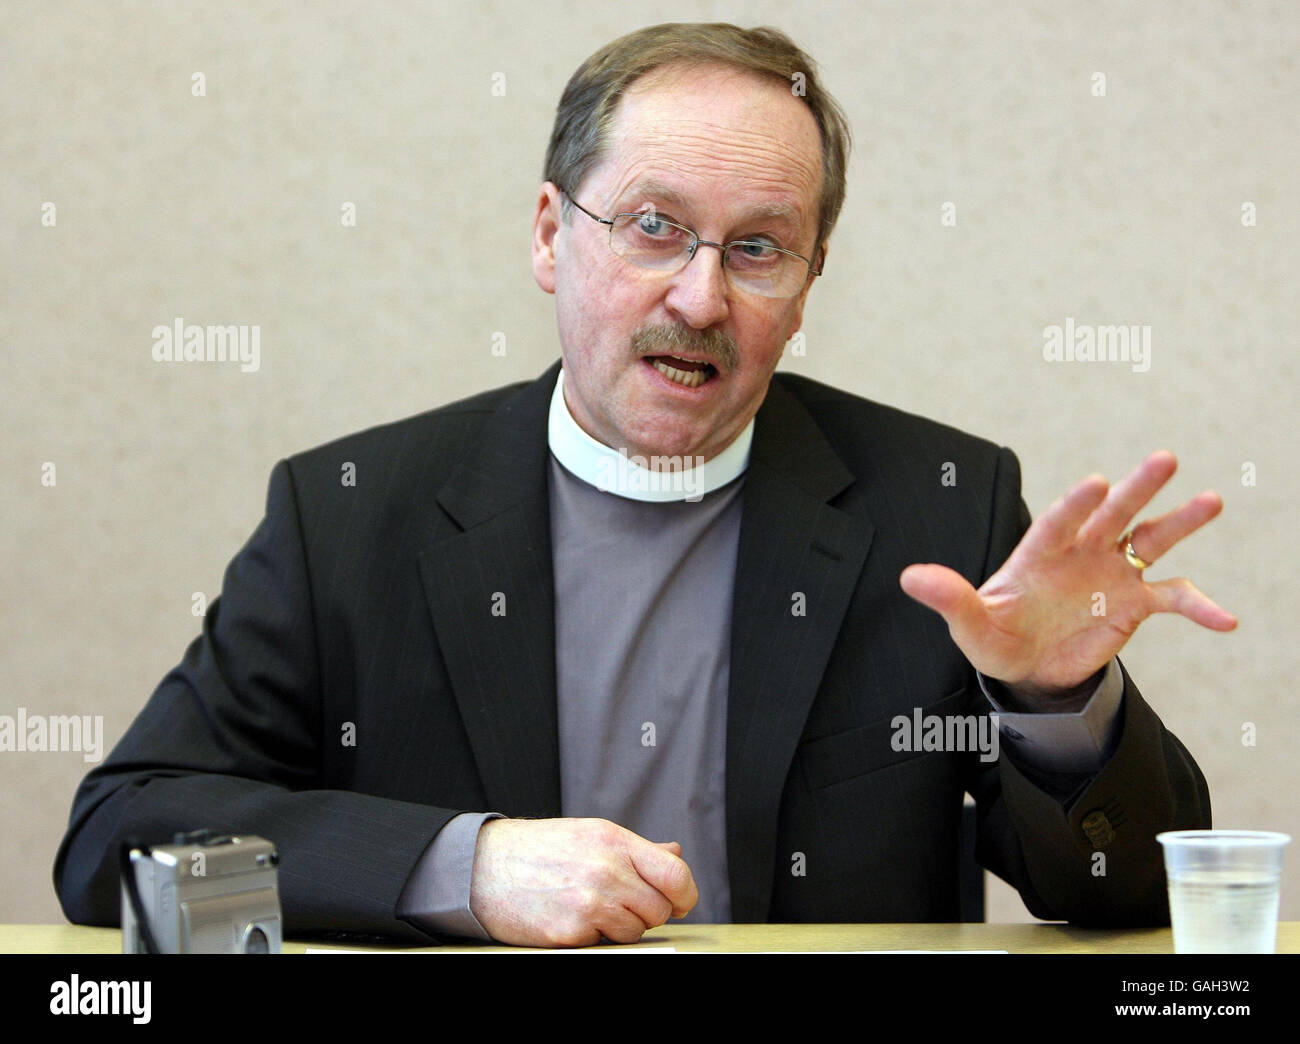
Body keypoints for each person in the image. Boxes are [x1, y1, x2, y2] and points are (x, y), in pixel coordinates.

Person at [54, 22, 1231, 948]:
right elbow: (117, 836)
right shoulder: (351, 514)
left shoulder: (940, 506)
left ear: (808, 282)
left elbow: (1124, 896)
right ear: (549, 237)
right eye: (654, 227)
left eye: (757, 248)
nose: (701, 297)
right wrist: (458, 868)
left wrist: (1059, 706)